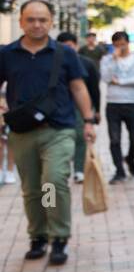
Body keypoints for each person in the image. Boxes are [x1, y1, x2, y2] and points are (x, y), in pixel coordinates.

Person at [0, 0, 96, 266]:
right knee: (32, 189)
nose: (37, 24)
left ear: (51, 22)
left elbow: (78, 87)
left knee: (51, 183)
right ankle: (38, 235)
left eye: (42, 19)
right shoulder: (7, 54)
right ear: (21, 21)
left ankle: (59, 236)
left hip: (59, 130)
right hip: (22, 132)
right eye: (30, 19)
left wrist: (88, 120)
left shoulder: (64, 54)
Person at [99, 30, 134, 184]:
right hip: (113, 104)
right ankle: (119, 171)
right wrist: (114, 61)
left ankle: (130, 159)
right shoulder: (107, 59)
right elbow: (106, 78)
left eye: (122, 44)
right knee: (114, 140)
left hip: (132, 103)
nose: (120, 47)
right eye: (116, 45)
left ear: (128, 43)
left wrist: (120, 81)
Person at [56, 32, 99, 184]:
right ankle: (63, 168)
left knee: (81, 137)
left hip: (80, 106)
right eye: (63, 46)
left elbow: (94, 89)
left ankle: (79, 170)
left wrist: (95, 112)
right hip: (58, 107)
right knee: (62, 138)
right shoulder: (52, 62)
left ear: (75, 45)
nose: (67, 49)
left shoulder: (86, 63)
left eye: (70, 46)